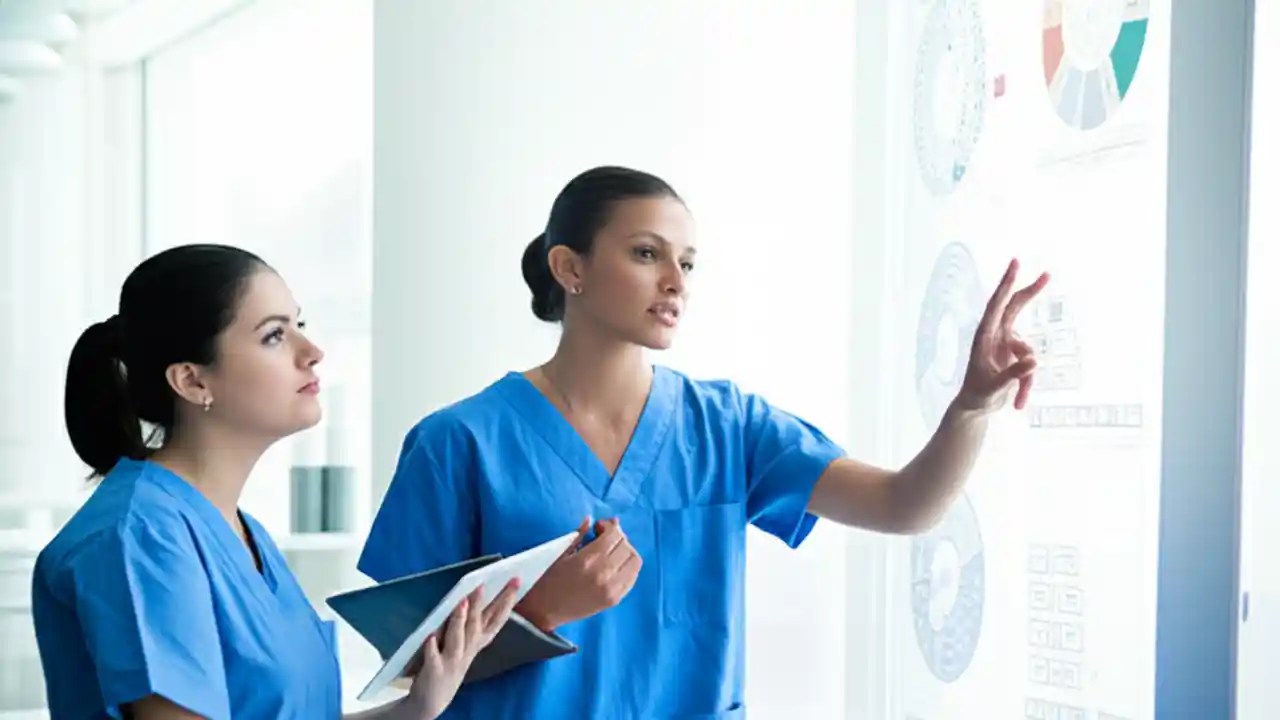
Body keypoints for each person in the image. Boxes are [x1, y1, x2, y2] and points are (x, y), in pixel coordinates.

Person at [357, 166, 1050, 718]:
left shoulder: (728, 427)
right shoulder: (459, 443)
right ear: (570, 269)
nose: (675, 282)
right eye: (646, 253)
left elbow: (906, 506)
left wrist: (970, 407)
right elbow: (413, 671)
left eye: (687, 263)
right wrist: (544, 610)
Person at [32, 244, 520, 720]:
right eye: (273, 336)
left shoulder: (240, 531)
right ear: (193, 381)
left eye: (298, 326)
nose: (313, 352)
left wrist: (414, 708)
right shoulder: (140, 536)